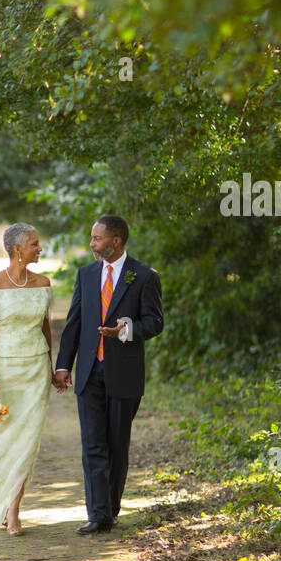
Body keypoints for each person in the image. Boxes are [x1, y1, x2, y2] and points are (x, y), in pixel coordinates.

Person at [52, 215, 164, 534]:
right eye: (91, 238)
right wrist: (63, 365)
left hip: (124, 374)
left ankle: (111, 509)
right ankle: (98, 514)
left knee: (117, 443)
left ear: (116, 241)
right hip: (88, 372)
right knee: (92, 444)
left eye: (97, 238)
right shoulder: (86, 275)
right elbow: (74, 322)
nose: (92, 244)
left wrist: (126, 330)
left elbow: (155, 322)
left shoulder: (143, 276)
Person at [0, 223, 54, 536]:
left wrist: (53, 368)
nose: (40, 248)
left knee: (28, 440)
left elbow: (46, 328)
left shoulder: (44, 283)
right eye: (34, 244)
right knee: (4, 440)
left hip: (36, 369)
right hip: (6, 373)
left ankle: (14, 511)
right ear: (17, 250)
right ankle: (4, 500)